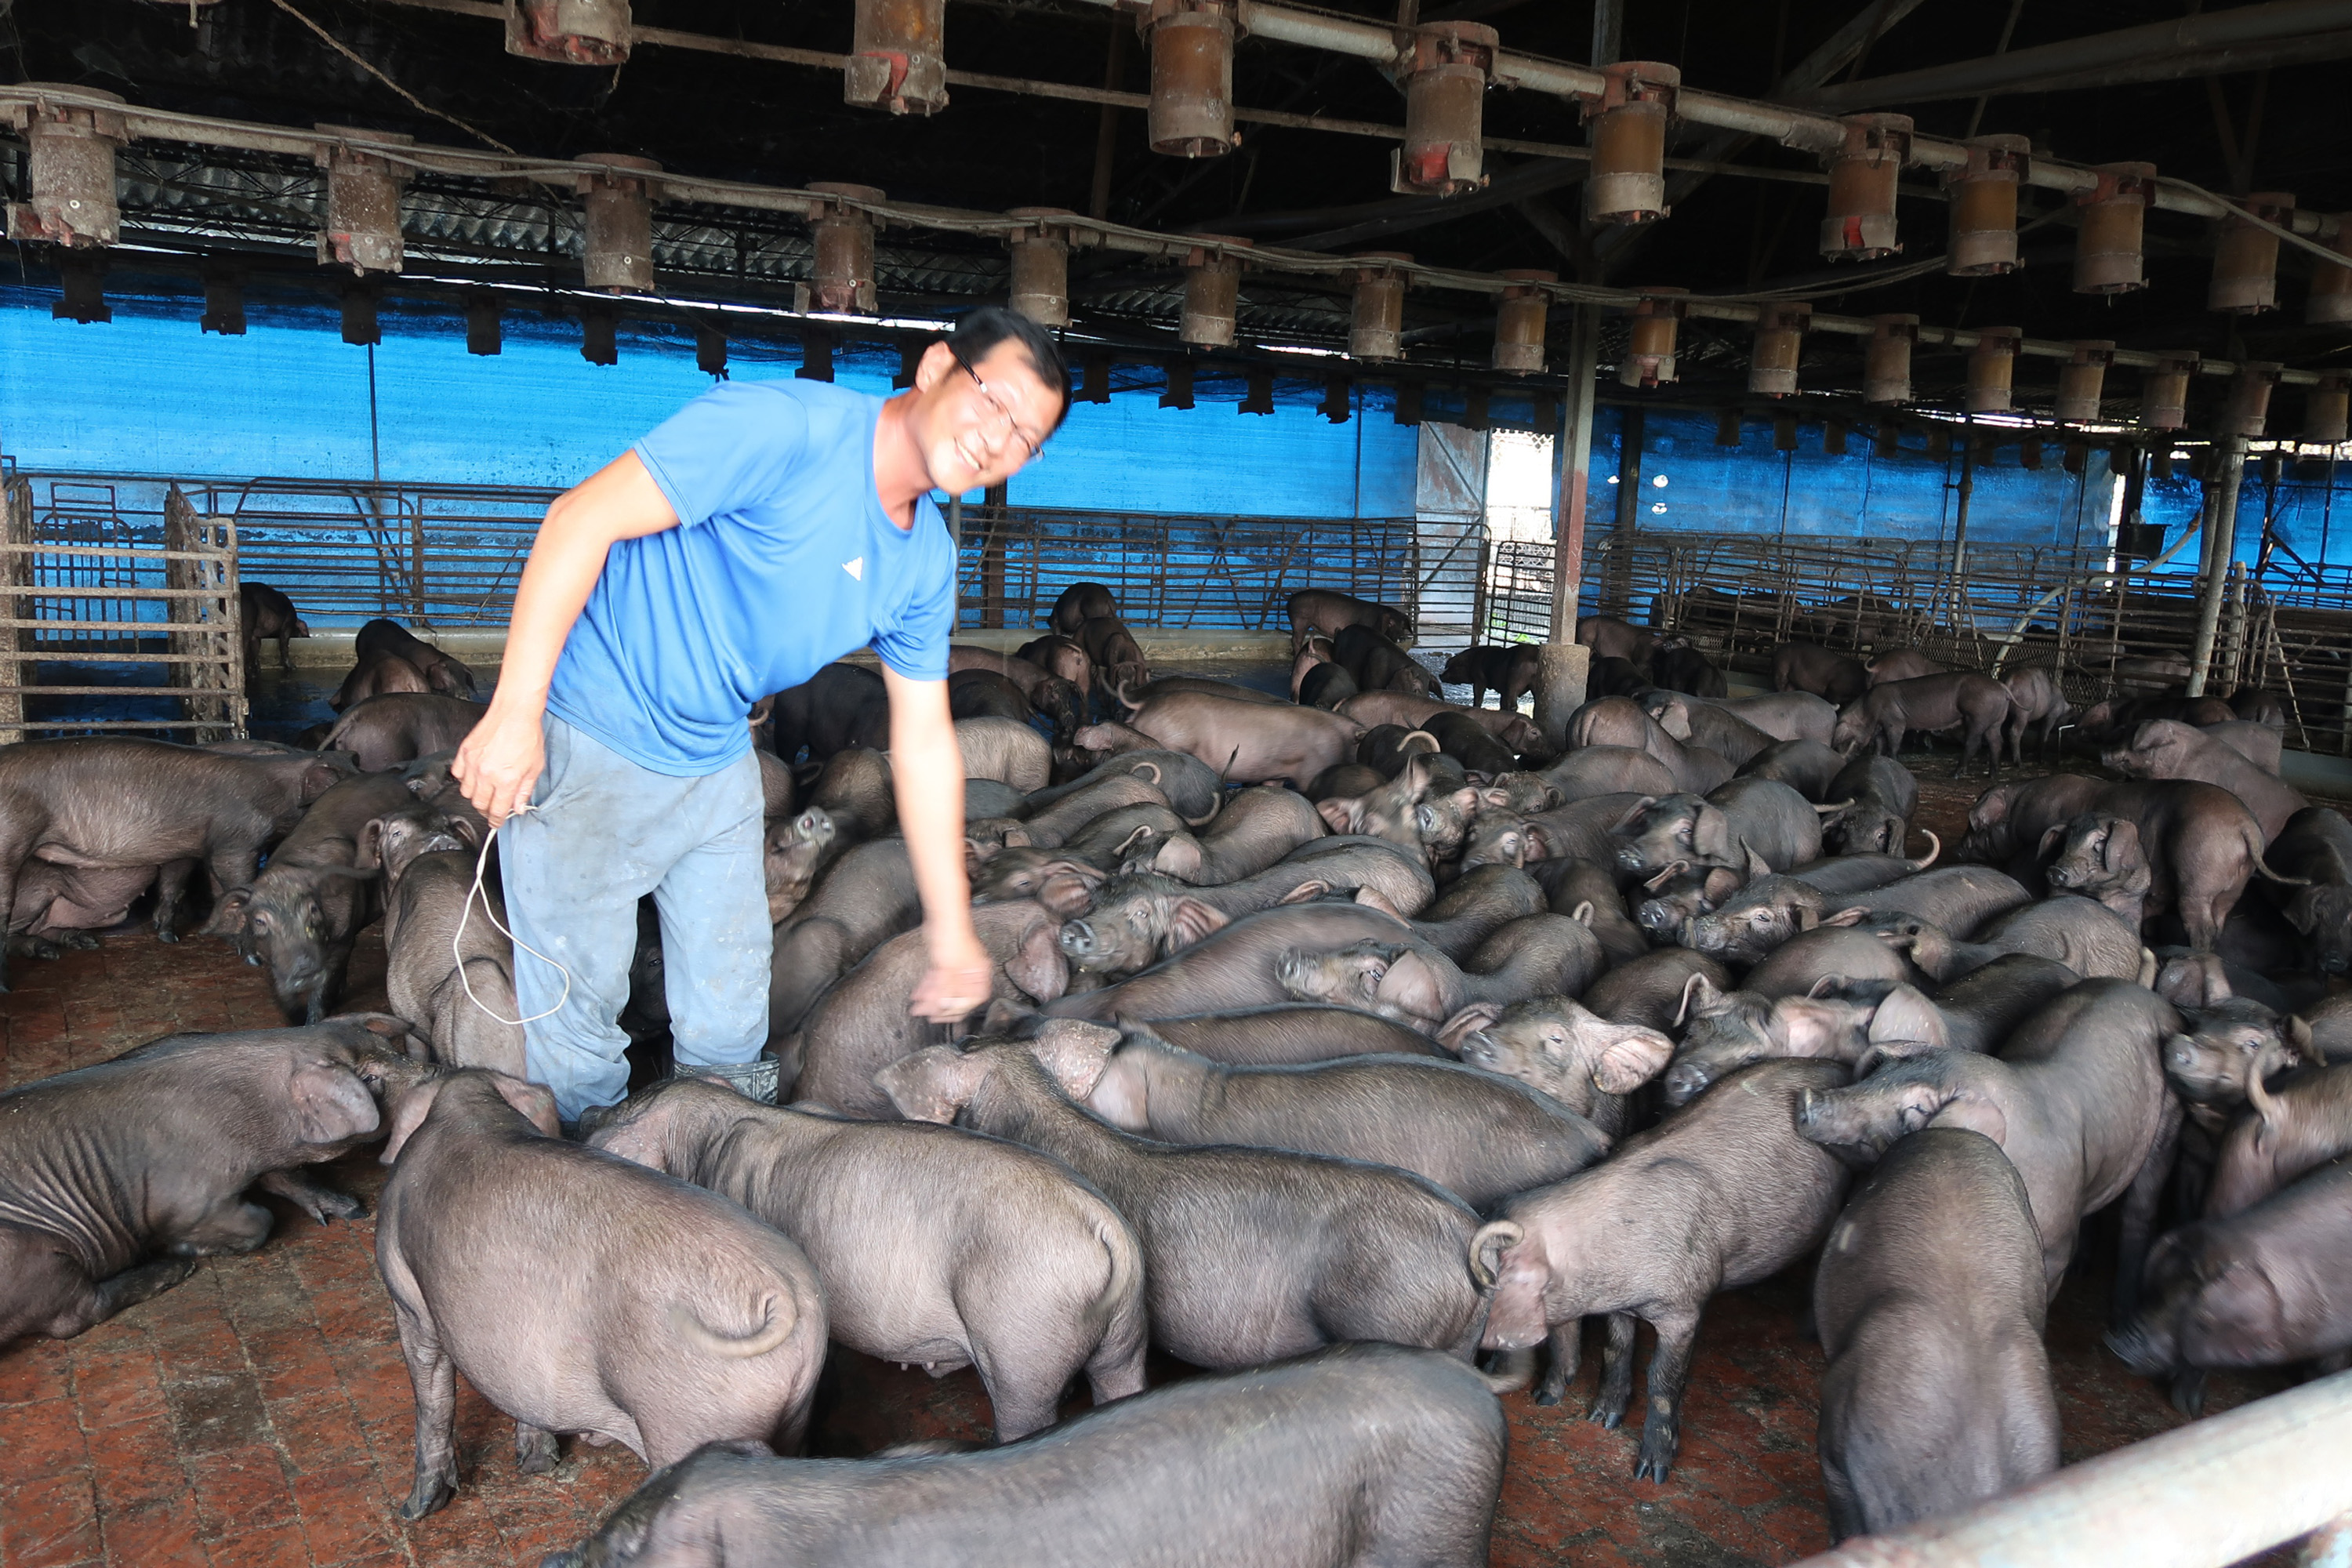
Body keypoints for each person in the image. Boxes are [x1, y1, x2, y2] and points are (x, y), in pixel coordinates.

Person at [452, 307, 1068, 1123]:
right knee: (577, 1018)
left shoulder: (925, 560)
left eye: (1027, 438)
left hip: (717, 756)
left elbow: (923, 742)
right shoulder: (786, 429)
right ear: (935, 369)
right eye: (994, 402)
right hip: (596, 733)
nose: (999, 441)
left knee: (734, 1011)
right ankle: (586, 1169)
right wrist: (513, 713)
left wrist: (953, 928)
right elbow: (580, 518)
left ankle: (717, 1152)